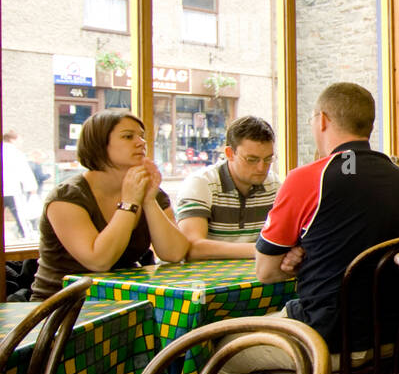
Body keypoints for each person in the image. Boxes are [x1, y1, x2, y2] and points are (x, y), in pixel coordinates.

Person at [210, 83, 399, 374]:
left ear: (322, 121)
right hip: (393, 341)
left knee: (218, 361)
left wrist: (292, 260)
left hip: (324, 341)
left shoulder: (308, 178)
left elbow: (265, 272)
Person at [31, 112, 190, 300]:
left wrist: (148, 201)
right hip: (62, 308)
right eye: (128, 136)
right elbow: (99, 261)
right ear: (98, 143)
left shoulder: (150, 192)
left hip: (123, 302)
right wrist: (129, 203)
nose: (141, 142)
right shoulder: (67, 197)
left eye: (141, 136)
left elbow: (174, 253)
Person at [174, 116, 279, 260]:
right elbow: (192, 247)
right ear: (229, 153)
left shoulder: (275, 186)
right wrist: (263, 250)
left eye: (268, 159)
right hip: (203, 279)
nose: (262, 168)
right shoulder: (200, 183)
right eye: (251, 160)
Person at [2, 130, 38, 240]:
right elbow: (24, 171)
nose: (21, 142)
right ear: (12, 140)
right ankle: (26, 236)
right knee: (20, 215)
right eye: (19, 140)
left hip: (6, 188)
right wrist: (31, 187)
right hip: (12, 189)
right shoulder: (16, 153)